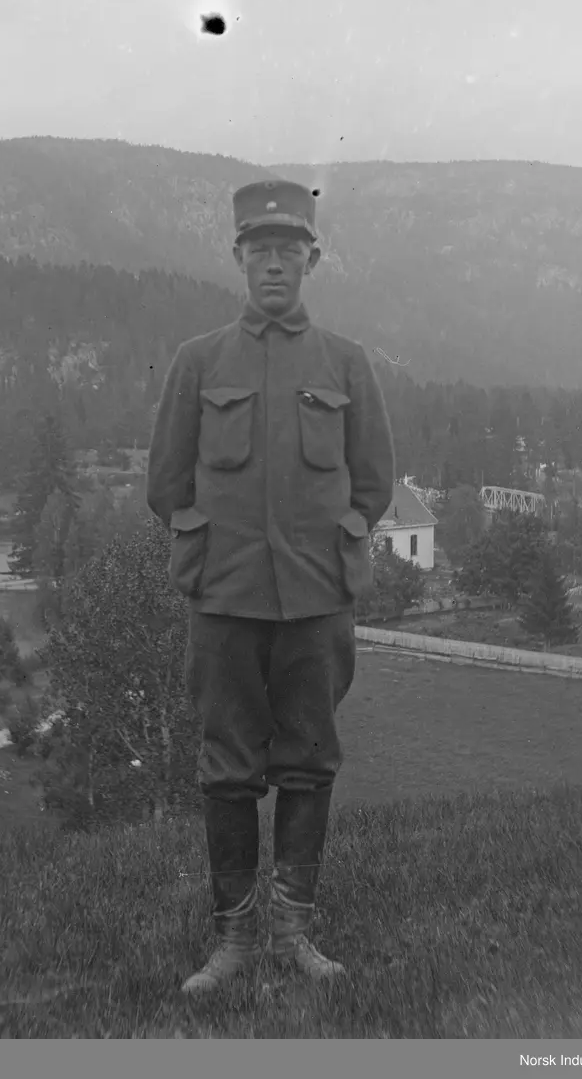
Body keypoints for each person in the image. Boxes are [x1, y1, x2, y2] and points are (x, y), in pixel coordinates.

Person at [146, 178, 395, 995]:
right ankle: (234, 944)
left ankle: (294, 934)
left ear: (313, 259)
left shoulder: (347, 364)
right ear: (239, 259)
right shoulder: (198, 361)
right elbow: (166, 483)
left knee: (310, 761)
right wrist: (203, 549)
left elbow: (373, 482)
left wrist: (340, 546)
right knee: (226, 770)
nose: (276, 265)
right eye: (261, 251)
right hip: (223, 600)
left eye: (291, 250)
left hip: (317, 602)